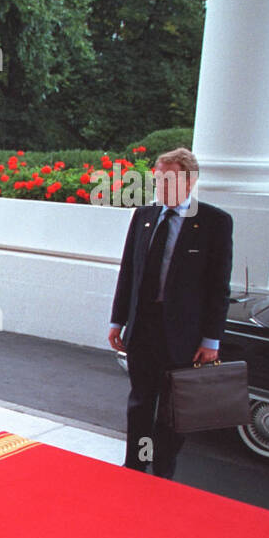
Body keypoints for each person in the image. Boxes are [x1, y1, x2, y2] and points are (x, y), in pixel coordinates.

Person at [109, 148, 233, 480]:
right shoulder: (144, 217)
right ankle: (134, 465)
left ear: (189, 181)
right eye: (157, 178)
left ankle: (164, 472)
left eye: (169, 178)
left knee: (173, 409)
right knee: (140, 402)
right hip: (143, 330)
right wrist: (117, 320)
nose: (160, 185)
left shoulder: (214, 223)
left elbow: (218, 287)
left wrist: (211, 340)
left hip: (185, 336)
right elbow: (129, 274)